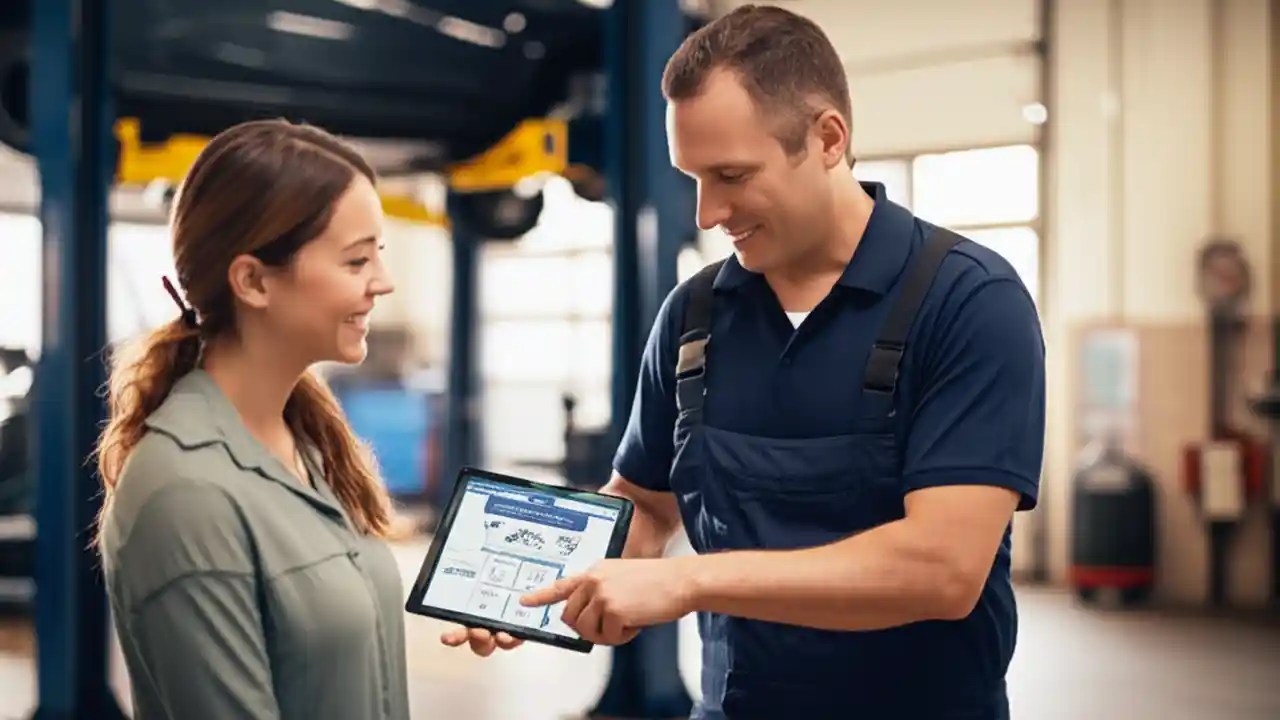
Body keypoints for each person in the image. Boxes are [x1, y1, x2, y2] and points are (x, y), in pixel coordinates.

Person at [451, 5, 1045, 720]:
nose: (705, 213)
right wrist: (531, 583)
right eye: (693, 177)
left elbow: (943, 569)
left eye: (731, 175)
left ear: (827, 139)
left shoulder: (967, 302)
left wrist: (694, 582)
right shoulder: (693, 318)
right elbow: (643, 502)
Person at [95, 119, 408, 720]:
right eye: (356, 261)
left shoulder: (304, 445)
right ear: (253, 280)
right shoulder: (186, 497)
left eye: (379, 256)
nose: (383, 283)